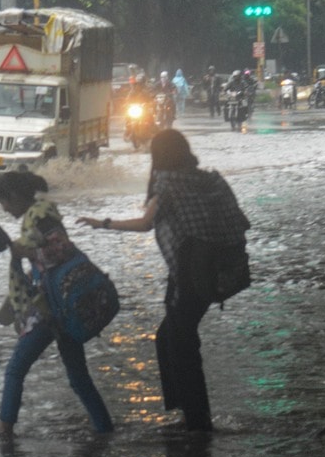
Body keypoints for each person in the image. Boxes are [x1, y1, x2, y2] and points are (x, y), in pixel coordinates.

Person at [77, 129, 249, 432]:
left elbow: (145, 224)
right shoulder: (211, 181)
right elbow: (240, 222)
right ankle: (187, 412)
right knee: (169, 337)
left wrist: (103, 224)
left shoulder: (167, 185)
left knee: (181, 344)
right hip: (216, 272)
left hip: (189, 274)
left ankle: (196, 421)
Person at [0, 172, 115, 437]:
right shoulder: (41, 214)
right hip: (65, 306)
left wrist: (24, 252)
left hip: (54, 308)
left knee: (15, 369)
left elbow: (61, 250)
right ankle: (105, 431)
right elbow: (48, 262)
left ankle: (4, 435)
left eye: (3, 202)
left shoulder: (40, 217)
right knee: (79, 378)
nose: (4, 208)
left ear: (14, 196)